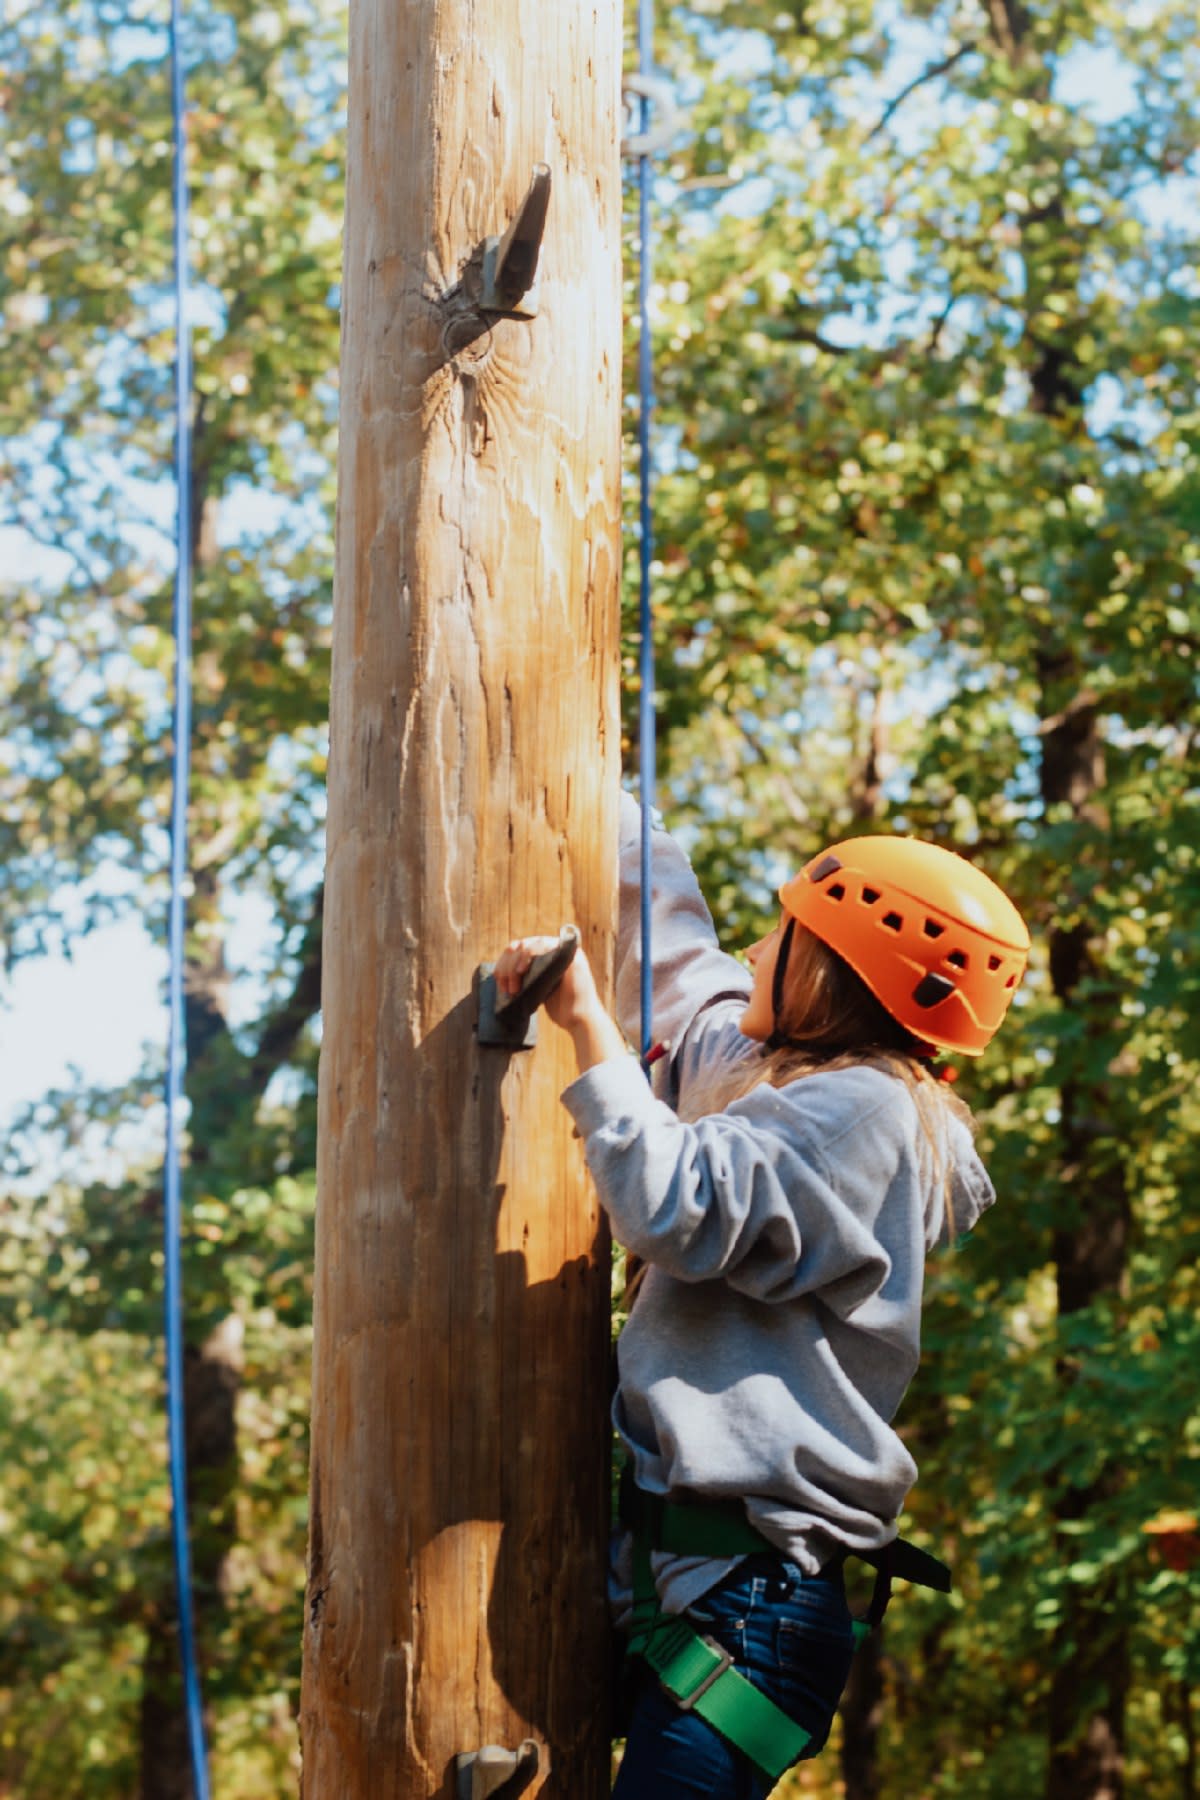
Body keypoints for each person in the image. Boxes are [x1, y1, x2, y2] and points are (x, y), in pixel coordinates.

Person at [493, 792, 1030, 1798]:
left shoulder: (863, 1114)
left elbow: (673, 1203)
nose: (758, 945)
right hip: (695, 1583)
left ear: (831, 969)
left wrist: (576, 1014)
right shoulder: (785, 1080)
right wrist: (602, 794)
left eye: (785, 933)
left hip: (747, 1603)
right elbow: (682, 976)